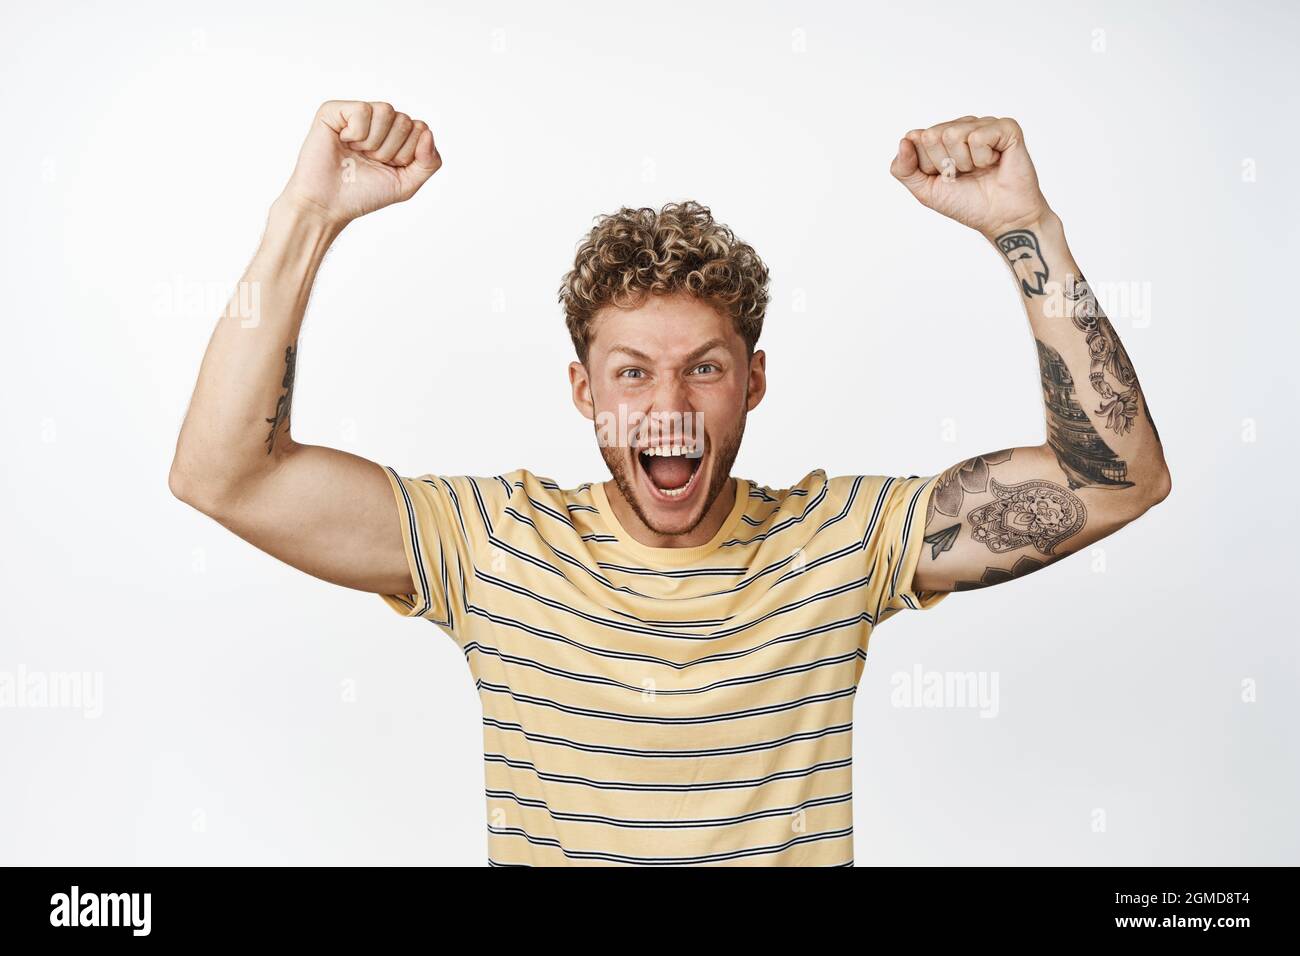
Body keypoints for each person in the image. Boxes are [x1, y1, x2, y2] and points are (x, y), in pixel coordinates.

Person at [169, 101, 1171, 866]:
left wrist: (1024, 226)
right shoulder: (488, 542)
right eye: (631, 371)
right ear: (582, 389)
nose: (669, 406)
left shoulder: (843, 537)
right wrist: (307, 214)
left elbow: (1115, 480)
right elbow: (224, 475)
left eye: (703, 365)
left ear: (754, 381)